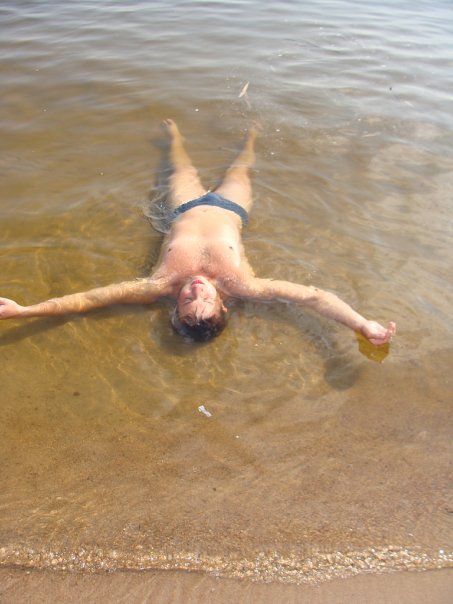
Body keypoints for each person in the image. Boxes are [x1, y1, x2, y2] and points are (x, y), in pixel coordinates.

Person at [0, 119, 396, 346]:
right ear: (224, 306)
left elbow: (88, 300)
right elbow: (313, 296)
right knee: (241, 168)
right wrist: (361, 324)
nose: (194, 290)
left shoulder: (157, 286)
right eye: (203, 300)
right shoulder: (244, 286)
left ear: (175, 308)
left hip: (184, 206)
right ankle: (252, 136)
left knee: (179, 168)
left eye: (187, 301)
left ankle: (174, 138)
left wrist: (25, 310)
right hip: (232, 209)